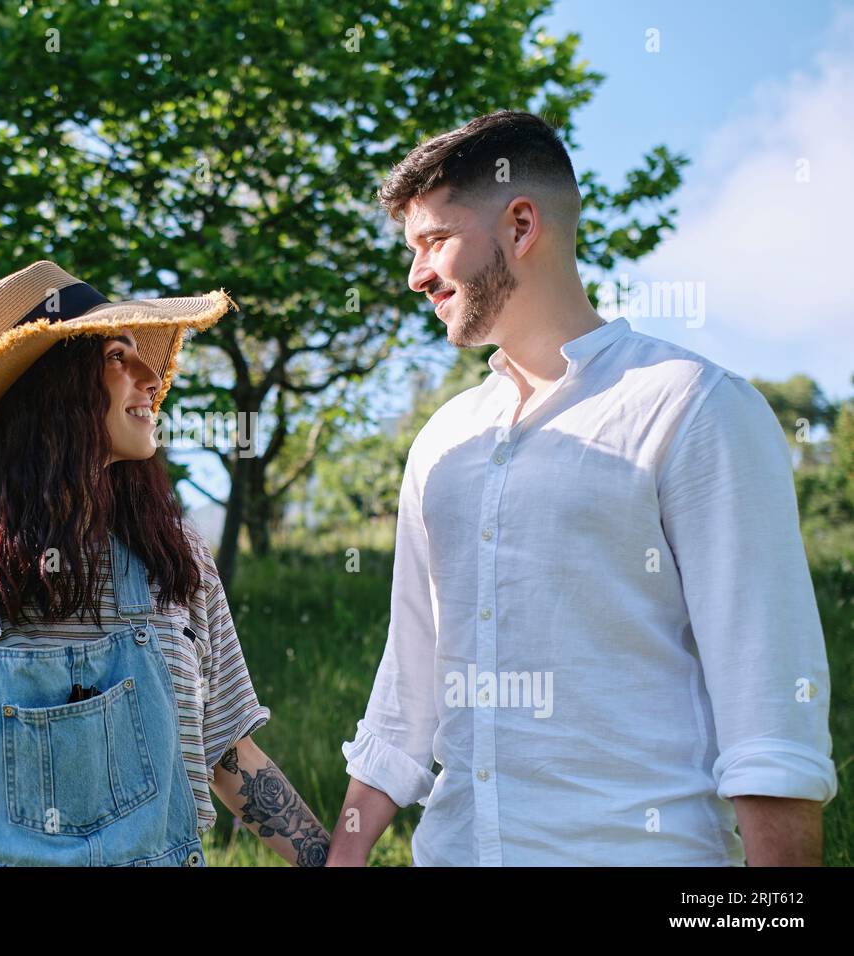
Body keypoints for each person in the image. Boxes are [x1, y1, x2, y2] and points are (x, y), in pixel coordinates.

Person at [328, 110, 838, 866]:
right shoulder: (443, 441)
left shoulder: (694, 406)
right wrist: (344, 854)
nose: (416, 274)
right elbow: (408, 681)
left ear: (521, 224)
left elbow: (768, 710)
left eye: (434, 241)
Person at [0, 260, 329, 866]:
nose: (152, 376)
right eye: (115, 357)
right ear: (51, 389)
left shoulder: (175, 561)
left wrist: (333, 860)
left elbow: (229, 752)